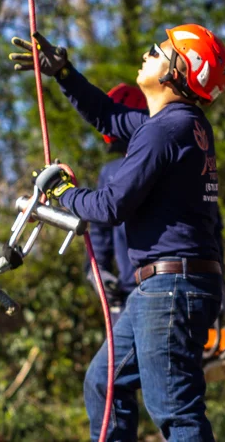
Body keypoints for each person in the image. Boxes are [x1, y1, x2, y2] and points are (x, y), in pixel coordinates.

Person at [10, 25, 225, 441]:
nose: (148, 52)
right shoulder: (182, 124)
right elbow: (109, 116)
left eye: (158, 50)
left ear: (178, 71)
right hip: (168, 285)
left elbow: (111, 206)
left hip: (170, 287)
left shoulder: (165, 130)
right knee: (105, 382)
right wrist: (64, 74)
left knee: (175, 411)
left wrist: (63, 193)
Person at [85, 84, 148, 326]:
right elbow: (101, 229)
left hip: (157, 286)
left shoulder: (159, 159)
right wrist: (98, 270)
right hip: (126, 291)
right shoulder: (110, 172)